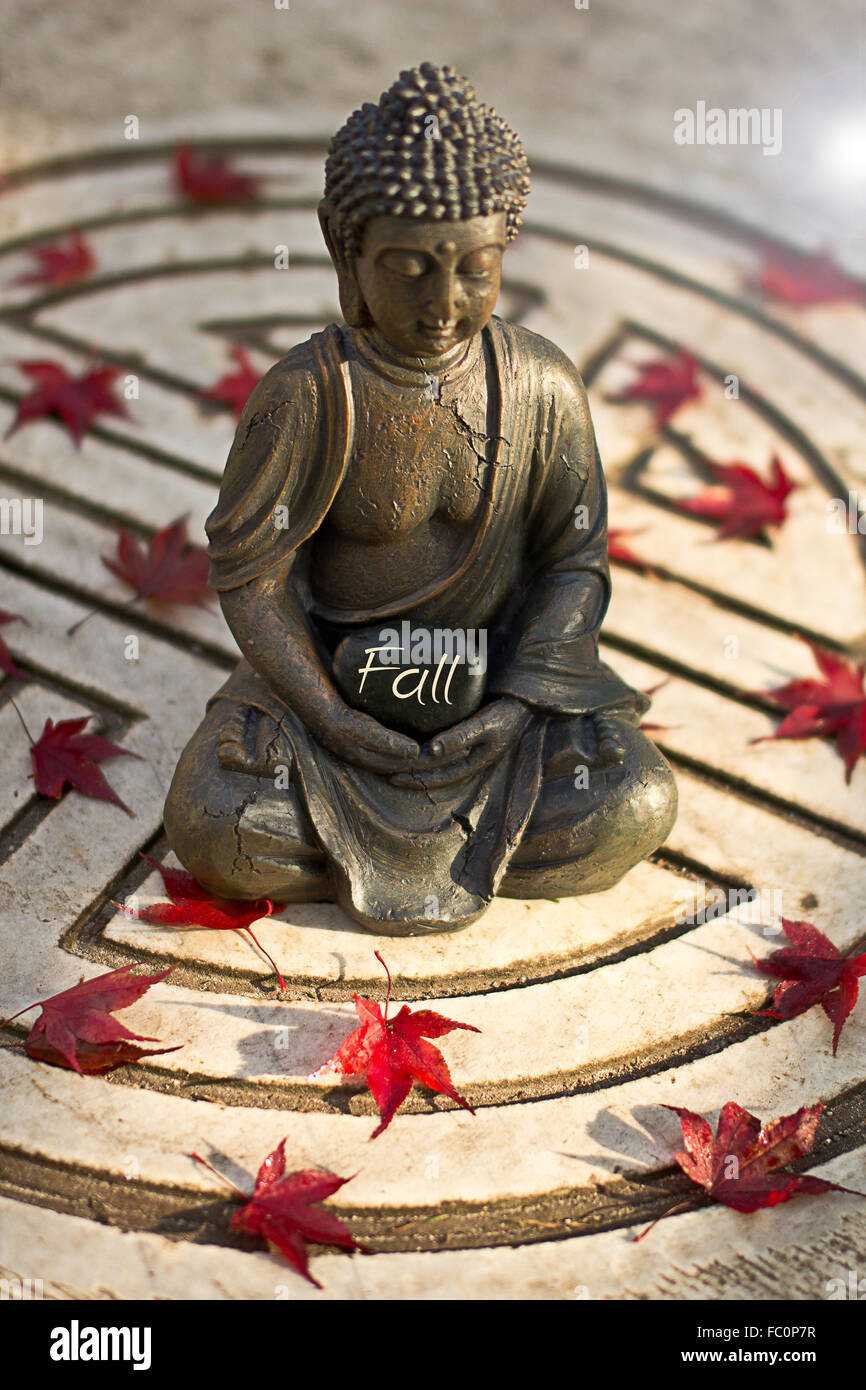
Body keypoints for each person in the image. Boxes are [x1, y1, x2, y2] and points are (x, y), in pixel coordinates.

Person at [164, 63, 677, 934]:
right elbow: (255, 581)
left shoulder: (540, 384)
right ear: (344, 249)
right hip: (333, 692)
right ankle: (367, 804)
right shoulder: (309, 395)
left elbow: (572, 562)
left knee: (633, 800)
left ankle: (494, 798)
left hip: (501, 701)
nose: (444, 305)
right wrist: (324, 711)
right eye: (406, 269)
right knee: (218, 826)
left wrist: (517, 700)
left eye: (474, 270)